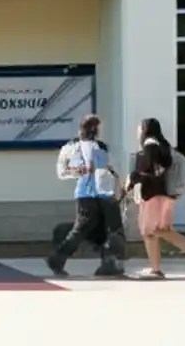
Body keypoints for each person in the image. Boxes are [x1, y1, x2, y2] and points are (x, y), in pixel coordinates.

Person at [126, 117, 185, 279]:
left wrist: (135, 177)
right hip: (166, 196)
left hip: (153, 195)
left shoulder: (150, 144)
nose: (137, 132)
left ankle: (156, 270)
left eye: (139, 128)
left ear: (145, 129)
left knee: (150, 232)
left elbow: (151, 169)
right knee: (162, 230)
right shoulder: (164, 145)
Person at [47, 114, 122, 278]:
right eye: (97, 127)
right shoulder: (72, 147)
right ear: (93, 129)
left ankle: (108, 263)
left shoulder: (101, 147)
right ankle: (57, 258)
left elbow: (113, 169)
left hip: (102, 193)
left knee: (108, 228)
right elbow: (62, 172)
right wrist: (79, 171)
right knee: (81, 229)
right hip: (89, 193)